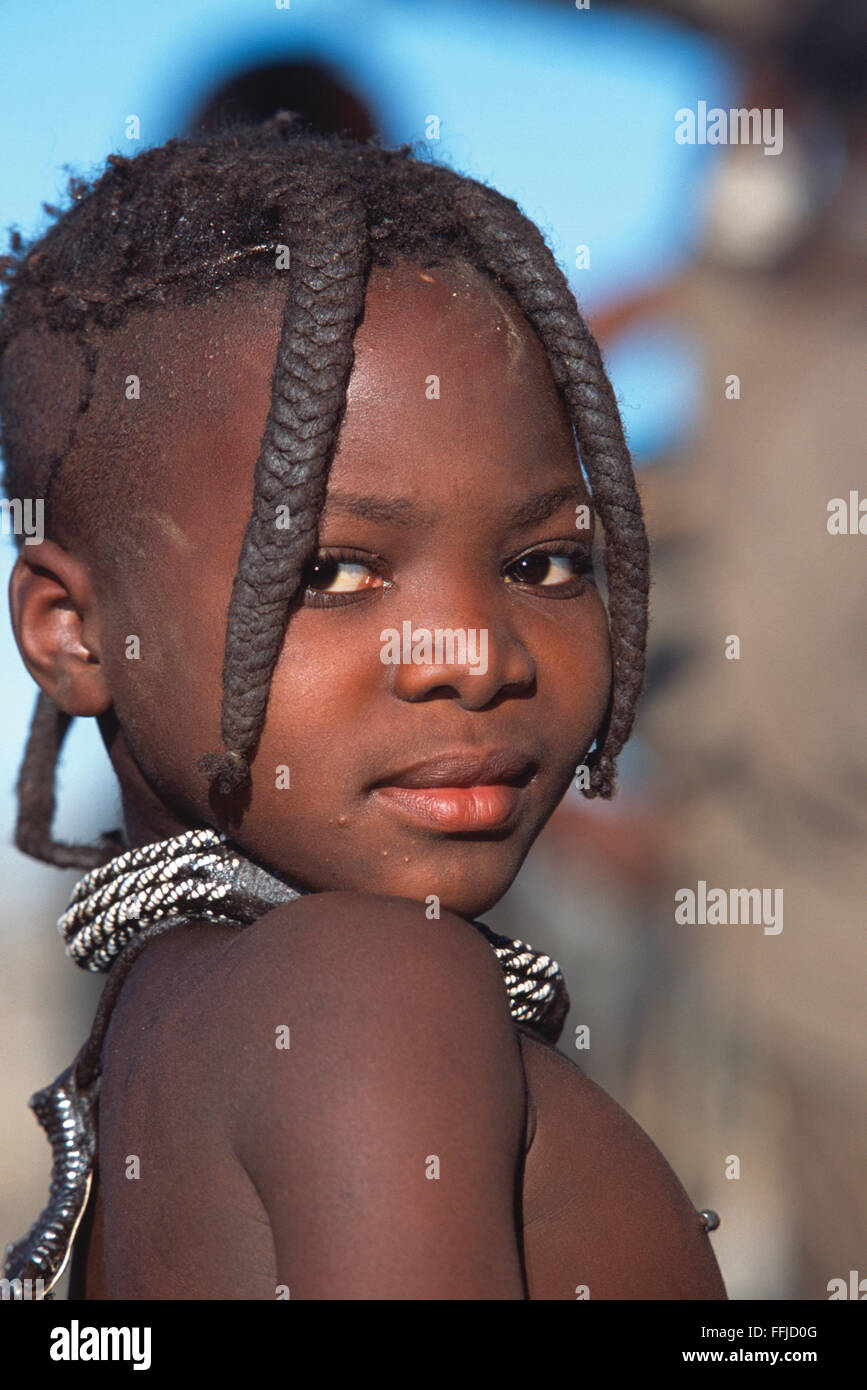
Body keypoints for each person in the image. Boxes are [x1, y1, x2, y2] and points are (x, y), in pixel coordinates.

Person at [0, 115, 726, 1300]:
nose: (476, 656)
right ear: (73, 634)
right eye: (333, 572)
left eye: (545, 564)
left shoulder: (173, 1030)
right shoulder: (376, 987)